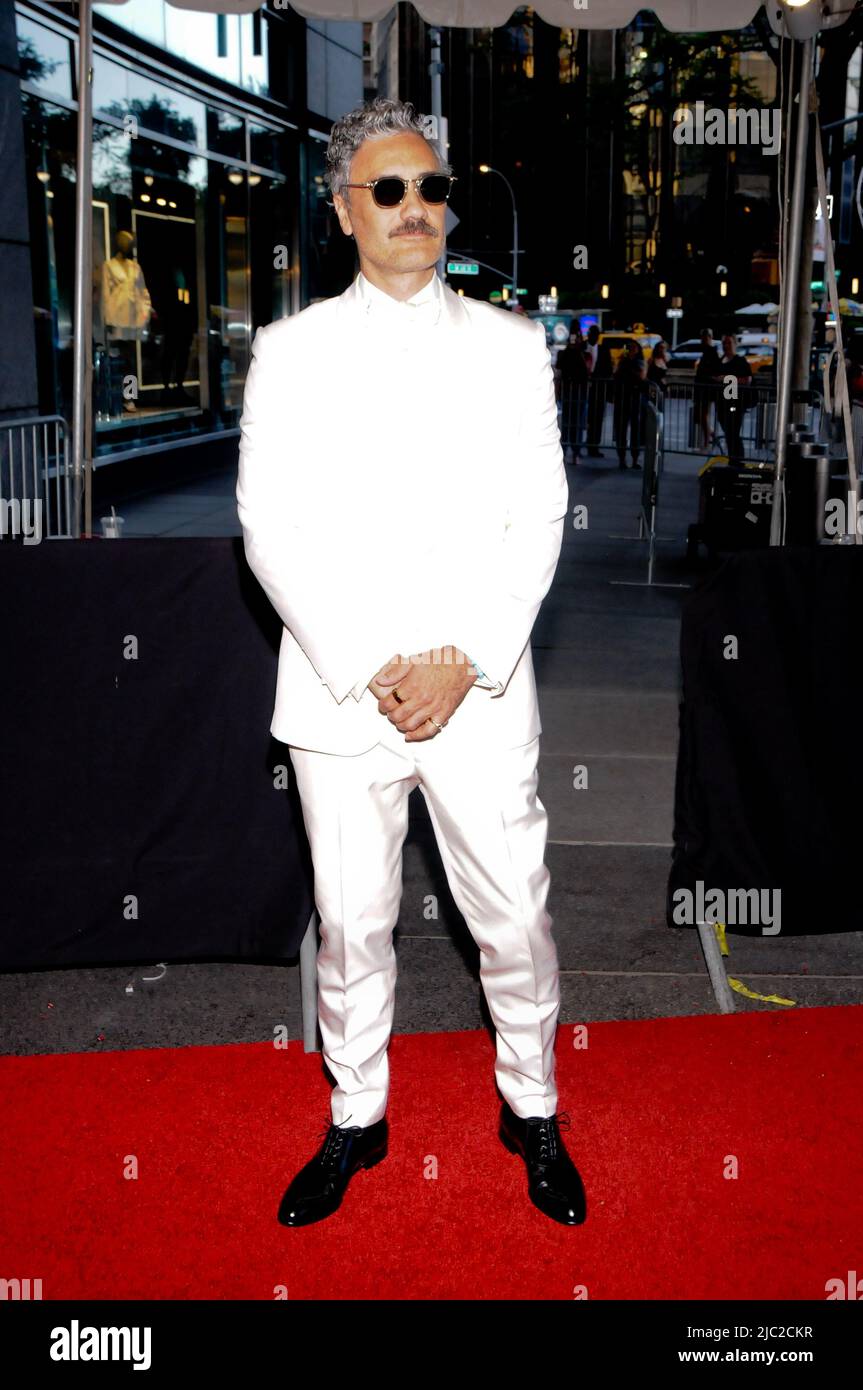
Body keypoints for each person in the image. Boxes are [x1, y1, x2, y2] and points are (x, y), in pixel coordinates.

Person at [236, 96, 586, 1229]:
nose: (415, 210)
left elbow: (539, 515)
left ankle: (531, 1106)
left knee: (513, 917)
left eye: (431, 189)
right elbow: (267, 529)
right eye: (388, 190)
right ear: (345, 210)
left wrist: (463, 659)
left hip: (477, 694)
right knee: (351, 923)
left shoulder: (512, 345)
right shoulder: (287, 355)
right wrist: (368, 664)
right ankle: (355, 1116)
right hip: (343, 700)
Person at [712, 332, 752, 461]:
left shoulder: (740, 361)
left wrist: (727, 379)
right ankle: (732, 458)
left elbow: (747, 379)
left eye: (729, 342)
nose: (726, 345)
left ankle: (737, 460)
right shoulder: (719, 361)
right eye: (724, 343)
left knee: (733, 432)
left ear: (735, 344)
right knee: (729, 433)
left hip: (735, 403)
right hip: (722, 403)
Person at [555, 327, 590, 458]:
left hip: (578, 393)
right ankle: (565, 448)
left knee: (577, 423)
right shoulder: (565, 354)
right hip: (568, 393)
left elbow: (586, 373)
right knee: (567, 422)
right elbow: (559, 369)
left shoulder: (583, 354)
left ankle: (576, 450)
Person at [613, 338, 646, 469]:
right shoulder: (623, 361)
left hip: (635, 397)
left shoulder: (639, 362)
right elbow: (616, 375)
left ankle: (635, 458)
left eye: (634, 348)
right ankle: (622, 458)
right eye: (629, 348)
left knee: (635, 430)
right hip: (623, 397)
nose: (631, 350)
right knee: (621, 429)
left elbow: (641, 376)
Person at [585, 323, 612, 457]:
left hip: (599, 390)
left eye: (596, 334)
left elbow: (608, 369)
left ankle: (594, 445)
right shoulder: (582, 347)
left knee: (597, 418)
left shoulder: (604, 350)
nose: (593, 337)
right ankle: (579, 444)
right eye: (591, 334)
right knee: (584, 417)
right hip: (582, 389)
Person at [694, 328, 721, 450]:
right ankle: (711, 436)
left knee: (703, 415)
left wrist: (708, 378)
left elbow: (715, 371)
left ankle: (707, 441)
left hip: (707, 388)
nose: (702, 340)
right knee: (700, 416)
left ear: (709, 338)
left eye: (705, 337)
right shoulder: (707, 351)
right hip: (702, 387)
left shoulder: (711, 352)